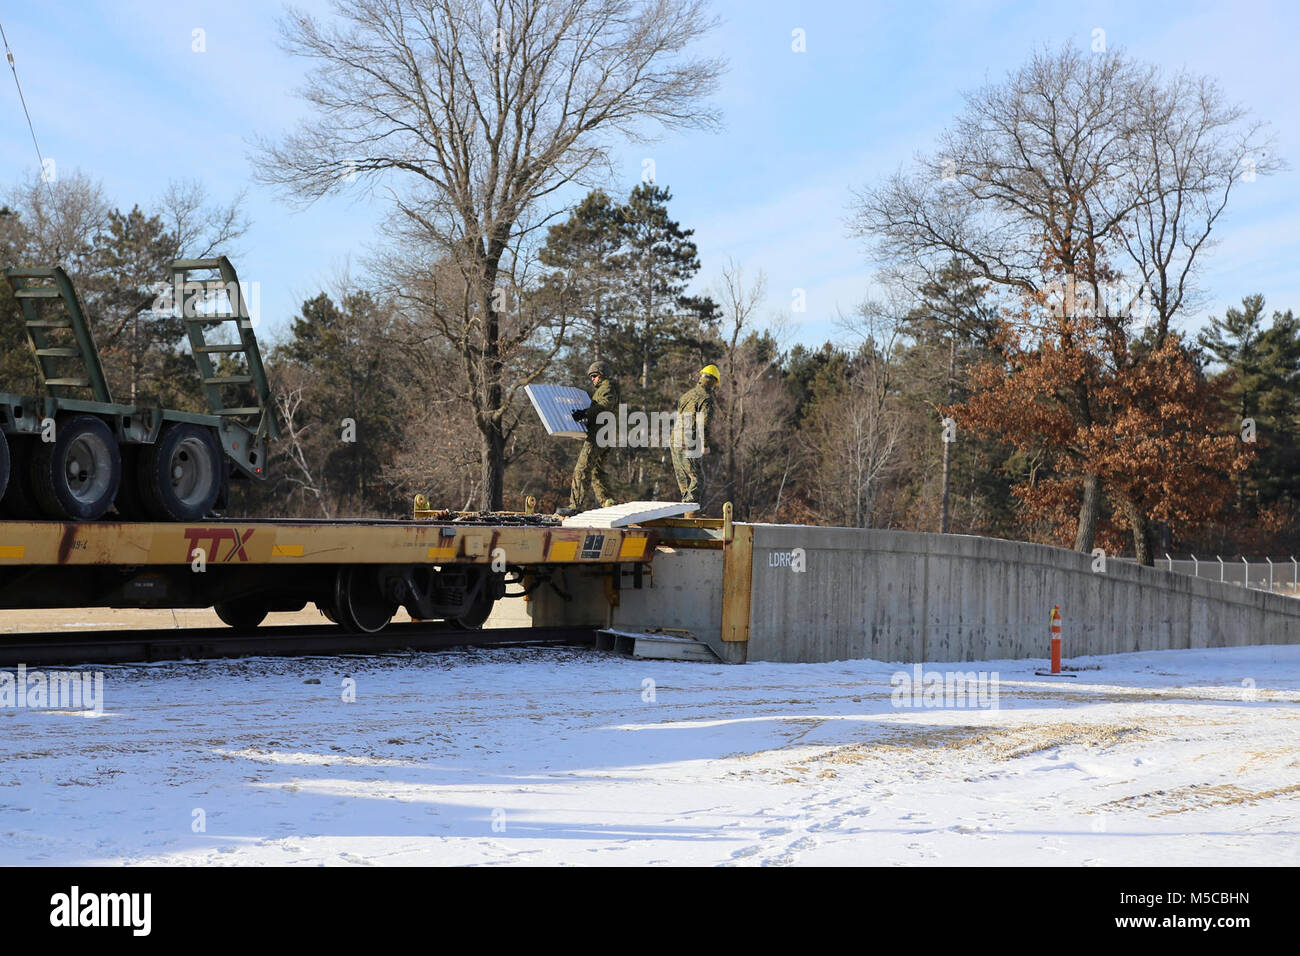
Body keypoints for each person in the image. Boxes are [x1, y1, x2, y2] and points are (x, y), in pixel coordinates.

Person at [560, 360, 619, 515]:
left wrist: (584, 413)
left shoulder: (607, 387)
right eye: (591, 377)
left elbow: (603, 406)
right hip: (605, 434)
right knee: (596, 471)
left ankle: (574, 506)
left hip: (599, 435)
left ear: (602, 375)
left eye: (594, 376)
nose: (592, 379)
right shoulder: (605, 388)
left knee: (582, 468)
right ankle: (608, 503)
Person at [670, 365, 719, 515]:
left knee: (685, 479)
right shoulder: (707, 399)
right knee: (698, 479)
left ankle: (687, 515)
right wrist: (705, 445)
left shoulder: (686, 395)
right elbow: (702, 424)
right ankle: (690, 515)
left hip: (675, 440)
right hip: (689, 441)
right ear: (713, 382)